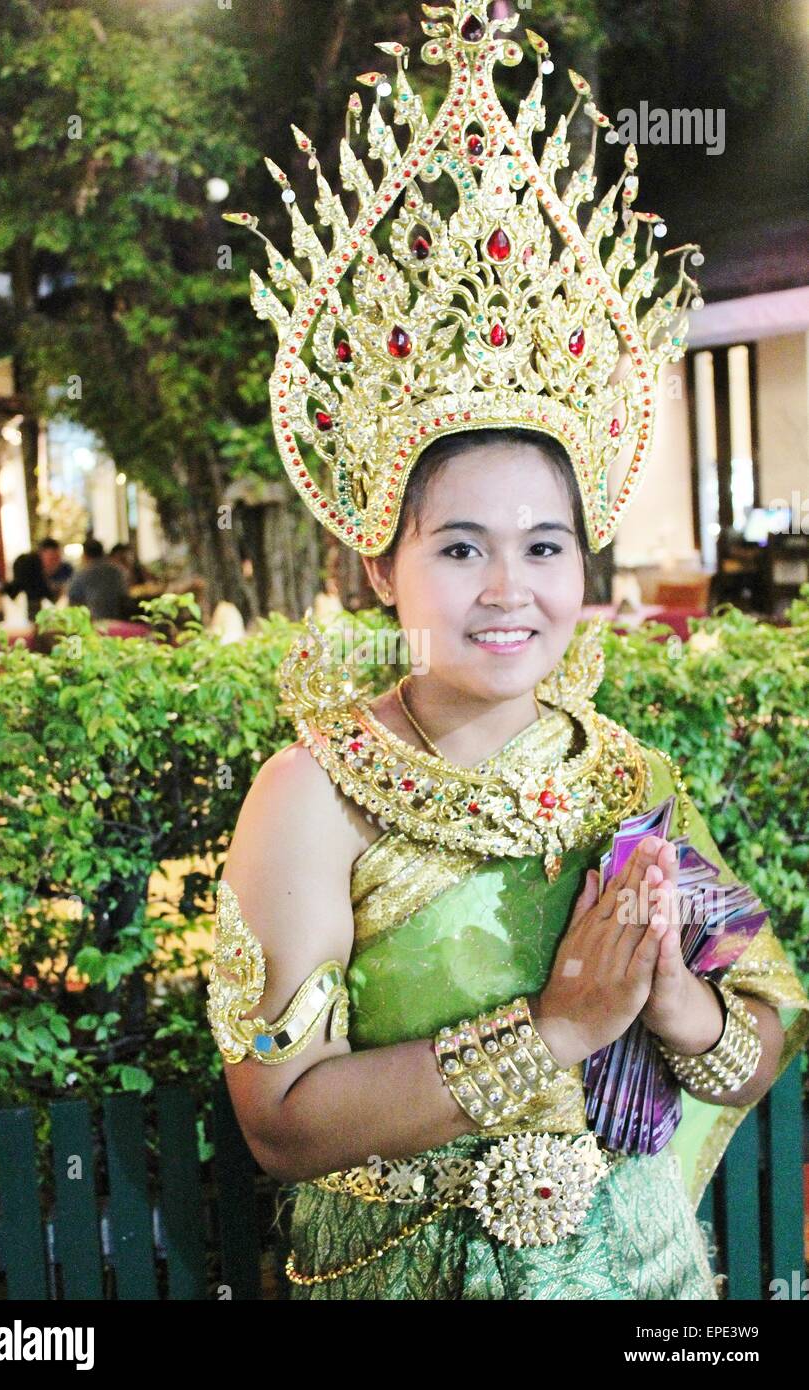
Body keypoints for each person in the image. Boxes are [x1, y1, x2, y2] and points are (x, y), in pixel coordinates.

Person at [206, 5, 809, 1300]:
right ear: (379, 562)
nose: (508, 592)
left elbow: (752, 1037)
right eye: (460, 547)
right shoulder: (310, 795)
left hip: (646, 1283)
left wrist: (670, 1006)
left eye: (545, 549)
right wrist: (554, 1031)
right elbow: (279, 1114)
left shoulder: (618, 776)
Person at [3, 538, 73, 621]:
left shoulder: (63, 569)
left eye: (58, 559)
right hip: (21, 615)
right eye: (53, 559)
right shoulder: (28, 565)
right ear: (40, 554)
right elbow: (41, 595)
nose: (57, 564)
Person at [67, 538, 130, 621]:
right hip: (119, 620)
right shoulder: (117, 570)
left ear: (85, 554)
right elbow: (124, 593)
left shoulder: (82, 573)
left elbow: (73, 598)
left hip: (94, 621)